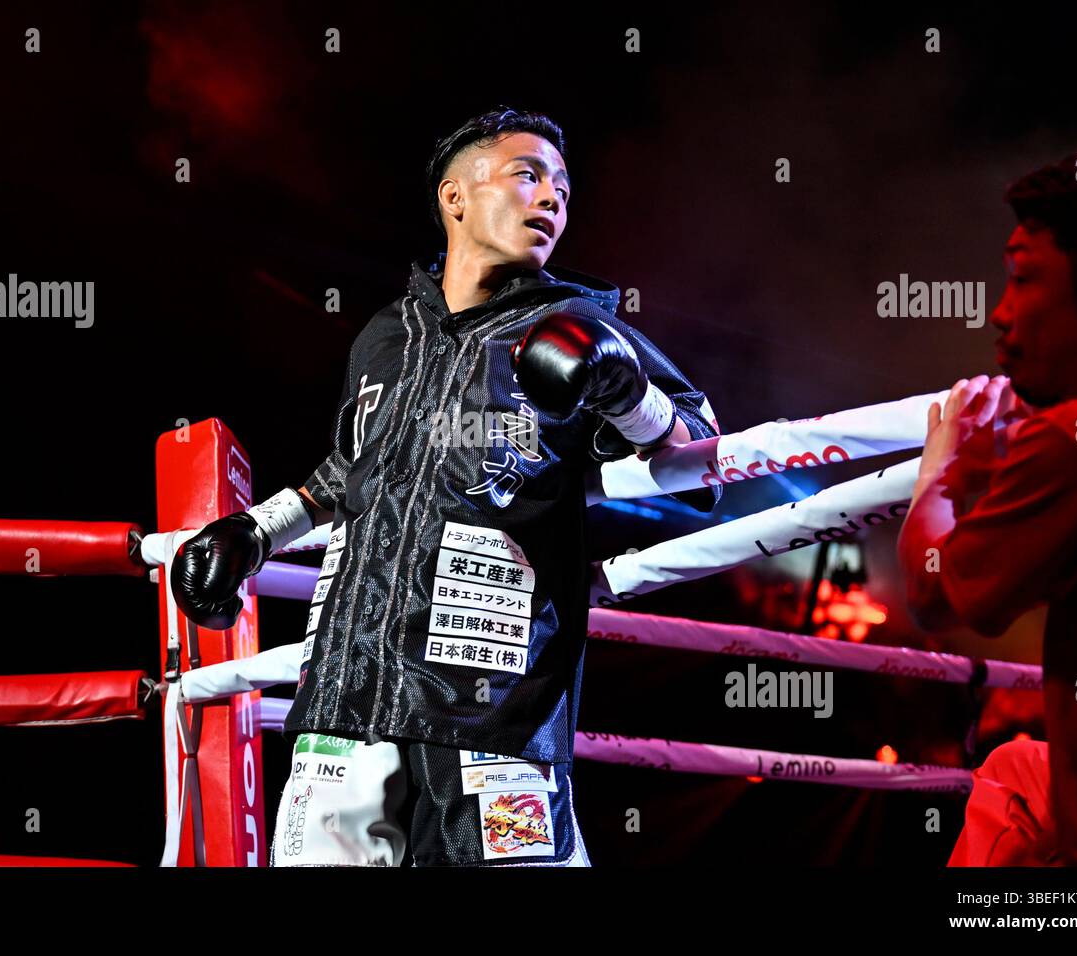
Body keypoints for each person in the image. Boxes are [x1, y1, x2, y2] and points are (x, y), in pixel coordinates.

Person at [170, 107, 723, 866]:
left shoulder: (576, 323)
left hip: (491, 718)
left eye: (564, 186)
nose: (553, 198)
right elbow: (349, 470)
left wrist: (629, 392)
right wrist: (255, 531)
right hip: (343, 708)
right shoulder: (383, 339)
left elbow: (706, 467)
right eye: (529, 175)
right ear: (455, 197)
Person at [897, 155, 1077, 865]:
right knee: (1019, 771)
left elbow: (936, 590)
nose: (1000, 312)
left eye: (1025, 279)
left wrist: (945, 468)